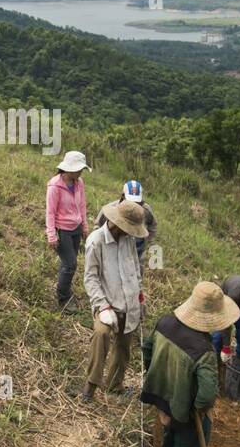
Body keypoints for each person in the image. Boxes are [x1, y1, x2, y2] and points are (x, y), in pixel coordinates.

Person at [141, 281, 239, 447]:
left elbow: (147, 350)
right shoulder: (203, 350)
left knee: (170, 440)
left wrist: (158, 378)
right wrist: (200, 408)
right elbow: (206, 395)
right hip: (185, 411)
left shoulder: (164, 322)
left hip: (162, 398)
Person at [81, 199, 147, 401]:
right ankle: (90, 387)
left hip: (128, 301)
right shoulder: (96, 241)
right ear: (117, 224)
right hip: (106, 302)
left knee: (123, 347)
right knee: (101, 336)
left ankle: (114, 386)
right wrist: (103, 306)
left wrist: (139, 296)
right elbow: (90, 278)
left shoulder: (128, 240)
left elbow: (135, 269)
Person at [45, 150, 90, 314]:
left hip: (76, 228)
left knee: (68, 263)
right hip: (62, 230)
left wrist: (84, 226)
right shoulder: (55, 186)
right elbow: (50, 212)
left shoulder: (79, 183)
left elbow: (82, 205)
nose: (80, 172)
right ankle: (63, 298)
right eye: (78, 169)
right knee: (70, 264)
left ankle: (65, 289)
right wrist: (51, 235)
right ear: (68, 169)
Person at [96, 179, 157, 258]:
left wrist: (146, 239)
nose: (133, 204)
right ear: (123, 196)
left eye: (136, 201)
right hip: (114, 246)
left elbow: (153, 225)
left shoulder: (146, 210)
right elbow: (98, 225)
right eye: (130, 201)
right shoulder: (112, 208)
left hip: (137, 247)